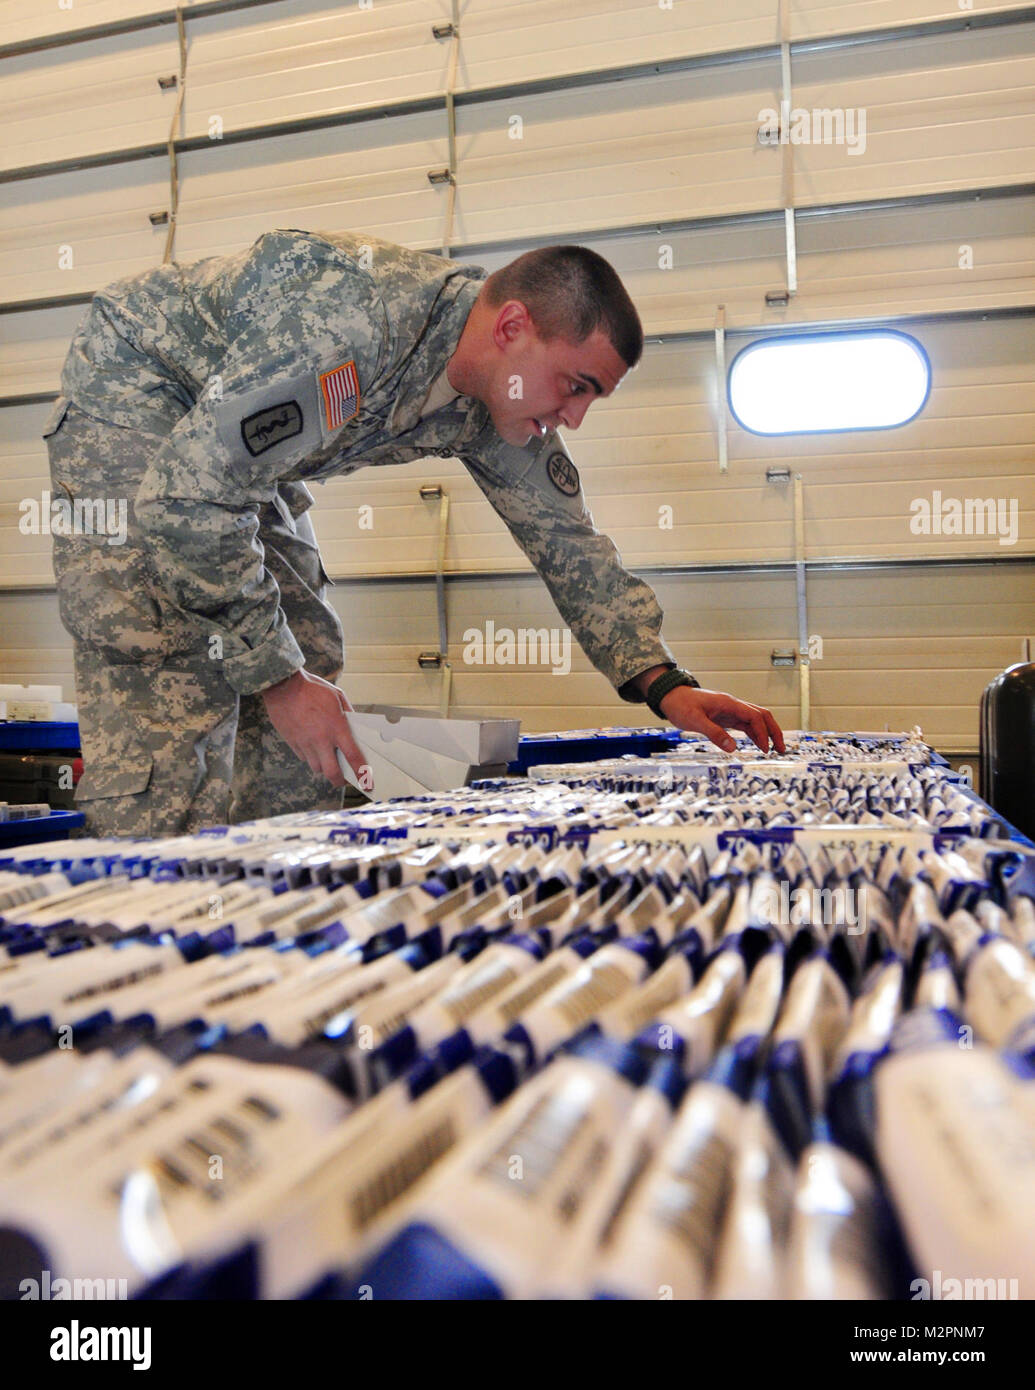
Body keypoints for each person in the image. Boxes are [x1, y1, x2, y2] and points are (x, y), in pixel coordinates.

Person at [44, 229, 784, 837]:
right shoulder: (348, 328)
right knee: (174, 652)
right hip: (142, 393)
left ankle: (268, 881)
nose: (575, 417)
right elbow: (185, 498)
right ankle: (138, 897)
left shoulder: (499, 397)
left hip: (231, 445)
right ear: (512, 327)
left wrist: (664, 686)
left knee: (309, 644)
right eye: (575, 385)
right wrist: (272, 678)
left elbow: (568, 543)